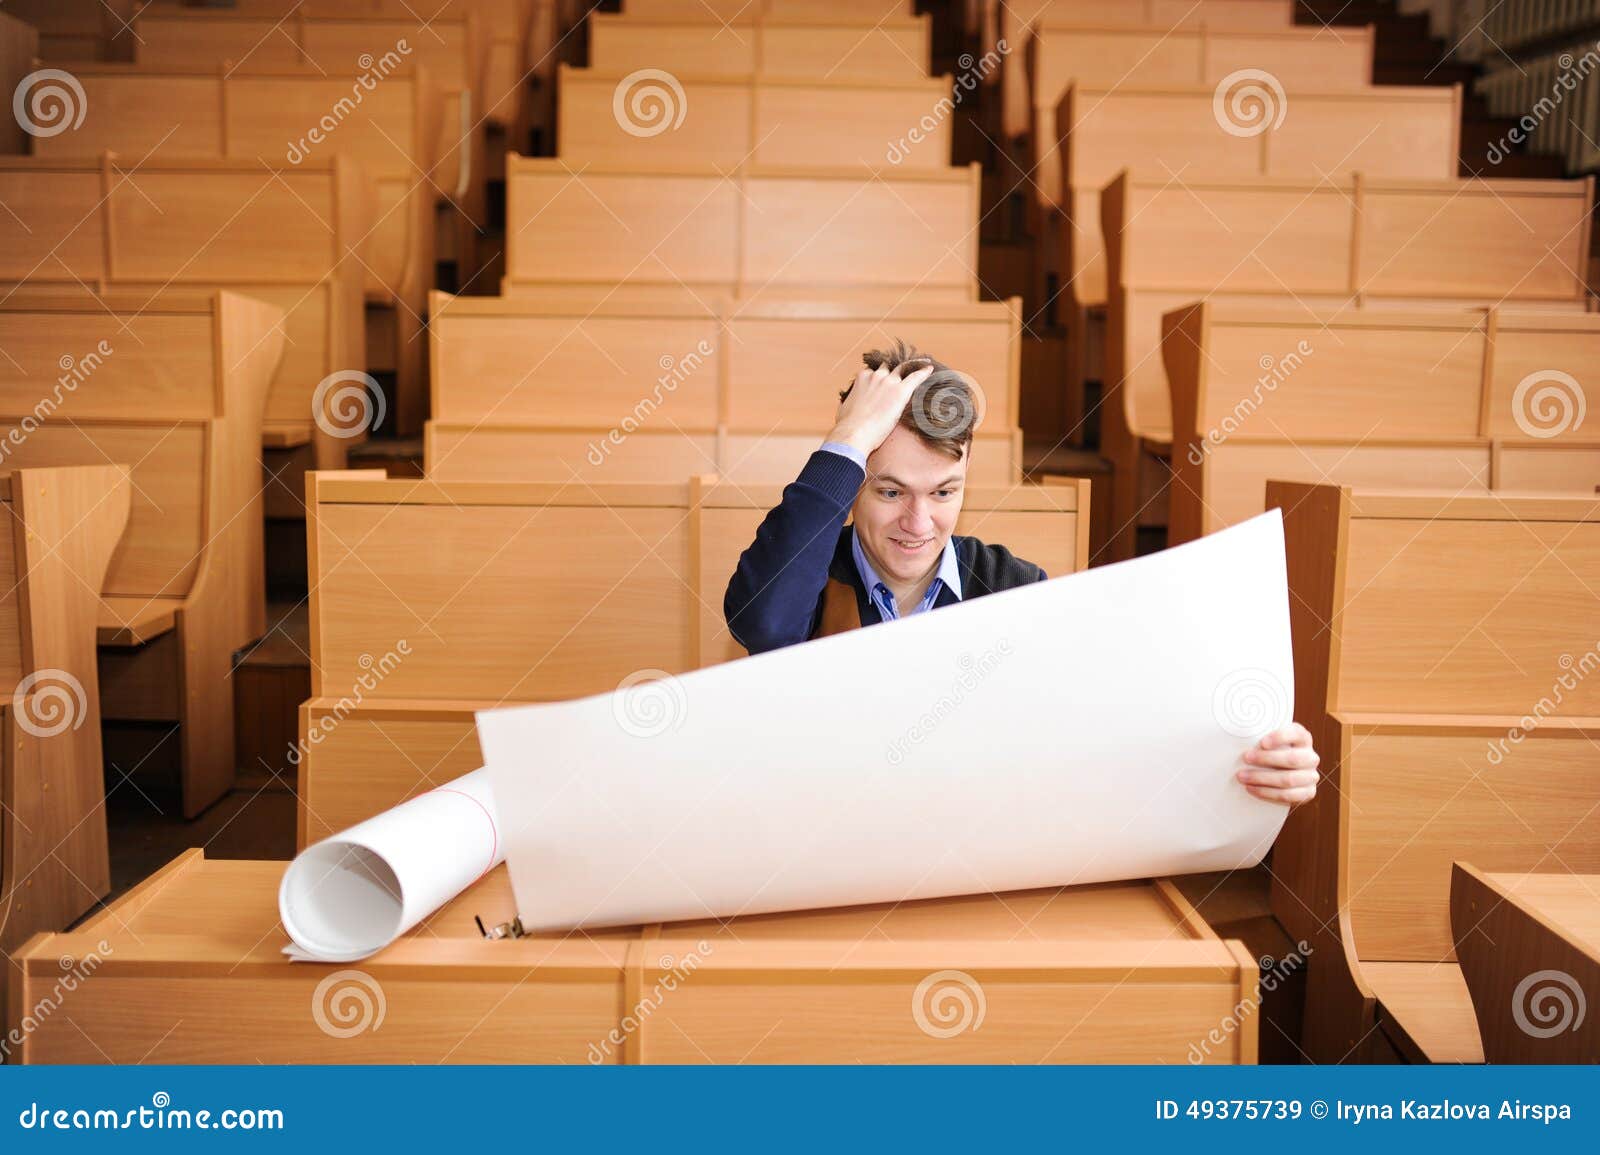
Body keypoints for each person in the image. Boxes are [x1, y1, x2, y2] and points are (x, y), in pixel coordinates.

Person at [723, 340, 1320, 807]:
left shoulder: (1014, 587)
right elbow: (765, 625)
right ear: (852, 482)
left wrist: (1253, 758)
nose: (918, 522)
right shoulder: (808, 577)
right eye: (889, 490)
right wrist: (848, 439)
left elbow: (1115, 722)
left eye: (944, 491)